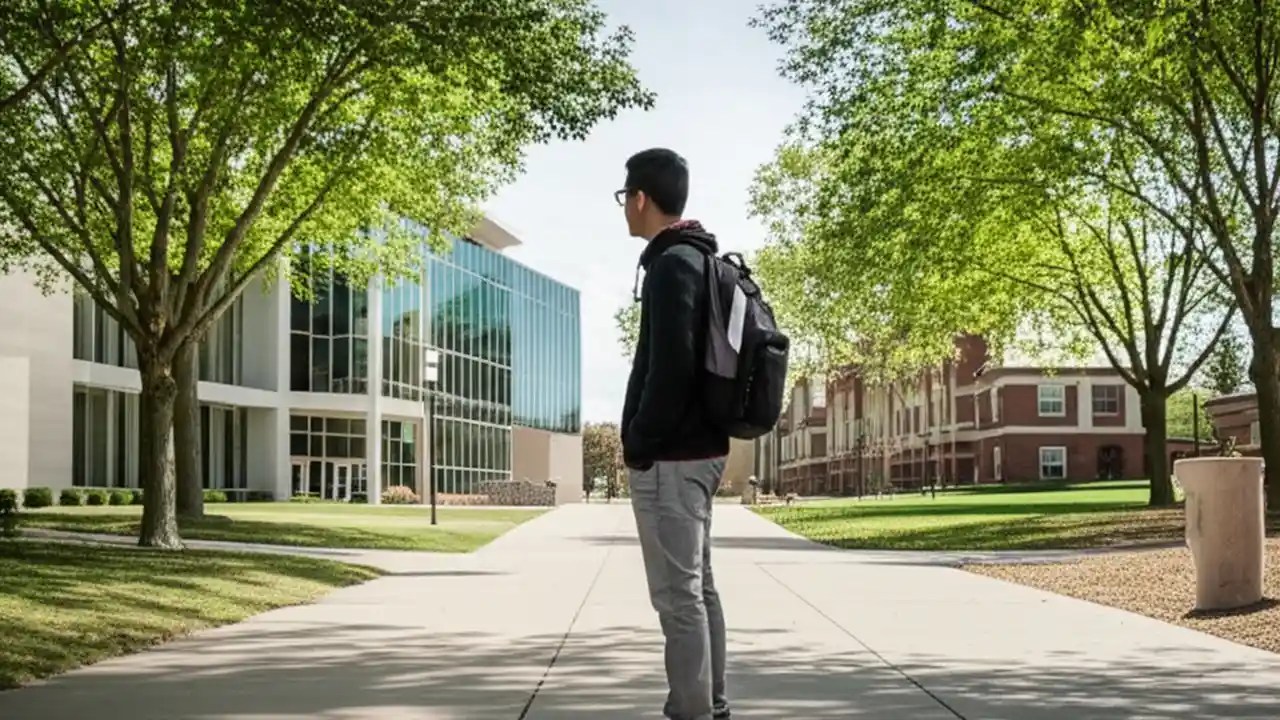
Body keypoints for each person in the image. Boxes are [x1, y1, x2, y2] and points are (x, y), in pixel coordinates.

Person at [617, 148, 731, 720]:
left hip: (673, 460)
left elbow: (671, 368)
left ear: (640, 198)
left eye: (625, 198)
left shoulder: (671, 266)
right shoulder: (701, 258)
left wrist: (639, 441)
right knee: (698, 588)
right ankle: (708, 703)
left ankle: (693, 712)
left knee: (677, 598)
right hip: (703, 453)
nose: (624, 210)